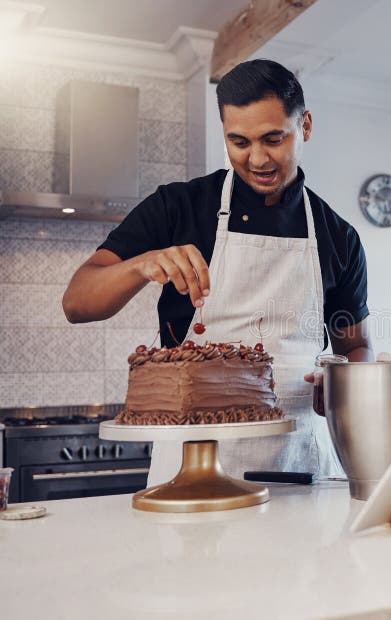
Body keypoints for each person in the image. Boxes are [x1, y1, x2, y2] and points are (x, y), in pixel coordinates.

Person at [63, 59, 373, 485]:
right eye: (239, 141)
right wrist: (140, 264)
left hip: (298, 464)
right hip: (190, 467)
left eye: (273, 138)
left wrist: (342, 380)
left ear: (305, 126)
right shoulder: (177, 207)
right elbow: (77, 303)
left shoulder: (338, 236)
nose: (258, 158)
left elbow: (357, 347)